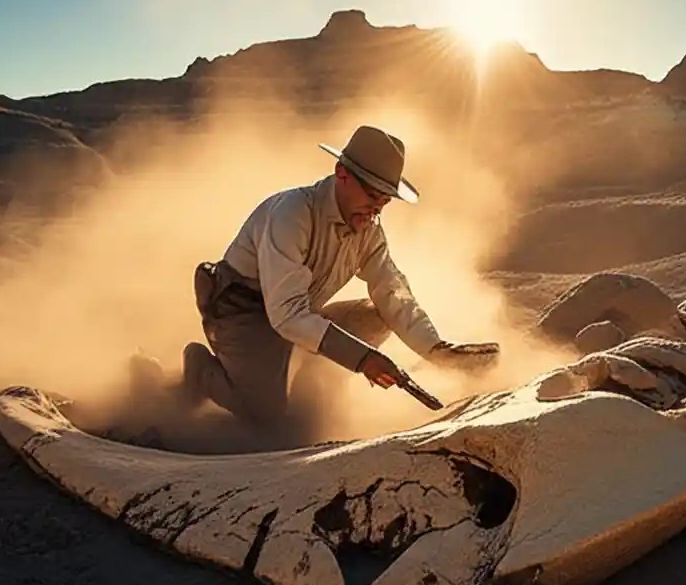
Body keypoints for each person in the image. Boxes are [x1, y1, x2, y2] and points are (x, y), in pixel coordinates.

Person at [182, 125, 499, 423]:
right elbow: (286, 316)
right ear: (342, 175)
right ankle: (202, 370)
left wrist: (436, 349)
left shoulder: (369, 230)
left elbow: (391, 291)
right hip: (242, 313)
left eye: (385, 200)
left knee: (378, 315)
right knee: (267, 416)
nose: (377, 209)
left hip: (298, 311)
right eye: (373, 196)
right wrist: (363, 359)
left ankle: (309, 384)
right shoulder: (291, 215)